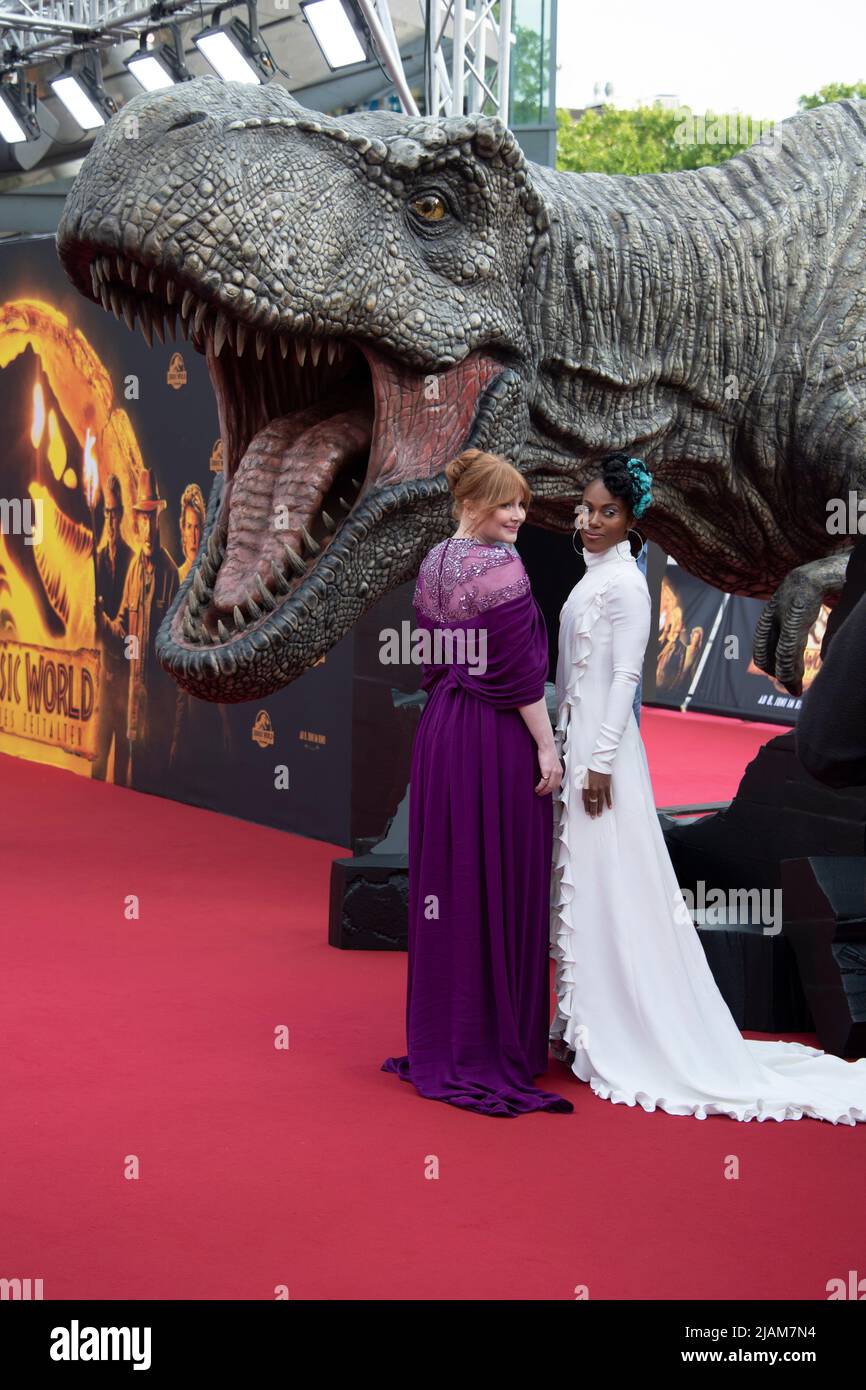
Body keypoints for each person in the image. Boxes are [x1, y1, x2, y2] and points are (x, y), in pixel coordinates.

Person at [549, 452, 866, 1122]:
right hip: (580, 750)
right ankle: (585, 1021)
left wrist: (601, 761)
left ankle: (620, 1028)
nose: (593, 521)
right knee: (585, 884)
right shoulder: (587, 579)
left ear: (632, 518)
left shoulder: (630, 587)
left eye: (608, 511)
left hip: (607, 762)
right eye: (587, 509)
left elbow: (627, 681)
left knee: (614, 884)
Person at [381, 449, 573, 1117]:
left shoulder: (435, 561)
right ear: (471, 504)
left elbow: (439, 658)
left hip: (442, 733)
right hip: (495, 740)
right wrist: (548, 749)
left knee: (451, 882)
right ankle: (497, 1046)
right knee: (500, 879)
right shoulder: (501, 567)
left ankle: (450, 1035)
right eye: (505, 503)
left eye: (523, 503)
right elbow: (520, 676)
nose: (519, 515)